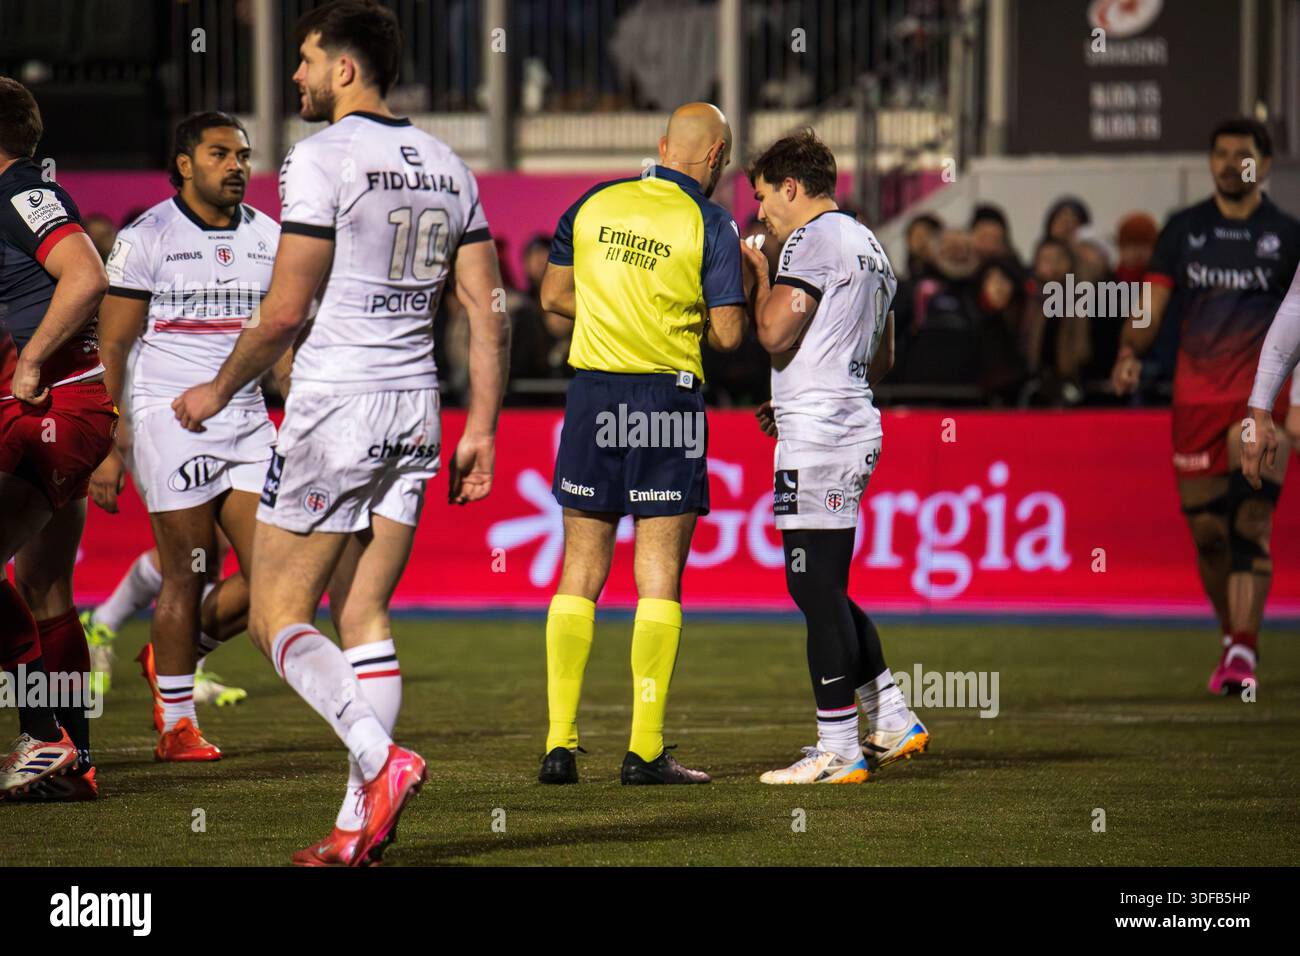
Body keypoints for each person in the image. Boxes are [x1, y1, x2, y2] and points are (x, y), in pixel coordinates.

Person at [173, 0, 509, 866]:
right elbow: (488, 310)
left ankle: (379, 757)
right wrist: (484, 431)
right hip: (416, 407)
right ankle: (360, 823)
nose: (297, 77)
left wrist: (216, 389)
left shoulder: (321, 157)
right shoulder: (446, 163)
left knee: (275, 614)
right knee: (363, 610)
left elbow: (286, 310)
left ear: (345, 69)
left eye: (307, 60)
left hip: (338, 407)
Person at [535, 101, 746, 786]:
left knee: (581, 570)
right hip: (666, 400)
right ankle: (644, 749)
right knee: (657, 575)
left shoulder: (595, 202)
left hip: (593, 393)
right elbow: (728, 336)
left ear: (662, 146)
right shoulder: (712, 223)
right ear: (716, 157)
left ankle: (559, 745)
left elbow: (554, 294)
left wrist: (614, 307)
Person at [739, 128, 927, 784]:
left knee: (811, 586)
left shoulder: (813, 241)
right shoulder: (870, 243)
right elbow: (883, 357)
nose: (761, 213)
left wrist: (761, 274)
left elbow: (771, 331)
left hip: (822, 435)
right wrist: (799, 392)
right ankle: (893, 716)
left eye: (764, 196)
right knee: (821, 585)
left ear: (792, 187)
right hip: (842, 420)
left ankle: (838, 748)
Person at [92, 112, 281, 759]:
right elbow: (113, 343)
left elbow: (278, 341)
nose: (236, 166)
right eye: (220, 153)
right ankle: (177, 726)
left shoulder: (272, 238)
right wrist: (109, 441)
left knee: (276, 581)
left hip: (247, 417)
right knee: (191, 568)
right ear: (184, 164)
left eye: (243, 155)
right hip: (167, 416)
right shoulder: (147, 236)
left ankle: (171, 657)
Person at [1112, 118, 1300, 695]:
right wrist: (1129, 349)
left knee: (1249, 523)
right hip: (1194, 399)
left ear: (1263, 166)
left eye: (1241, 155)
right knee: (1210, 535)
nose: (1228, 164)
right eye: (1219, 154)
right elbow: (1154, 302)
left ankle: (1244, 647)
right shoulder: (1184, 230)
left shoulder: (1288, 235)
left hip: (1258, 402)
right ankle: (1232, 636)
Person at [0, 76, 114, 798]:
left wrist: (34, 359)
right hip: (60, 405)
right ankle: (74, 756)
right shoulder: (20, 192)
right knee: (42, 585)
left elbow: (86, 275)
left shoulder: (21, 193)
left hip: (56, 406)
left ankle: (43, 737)